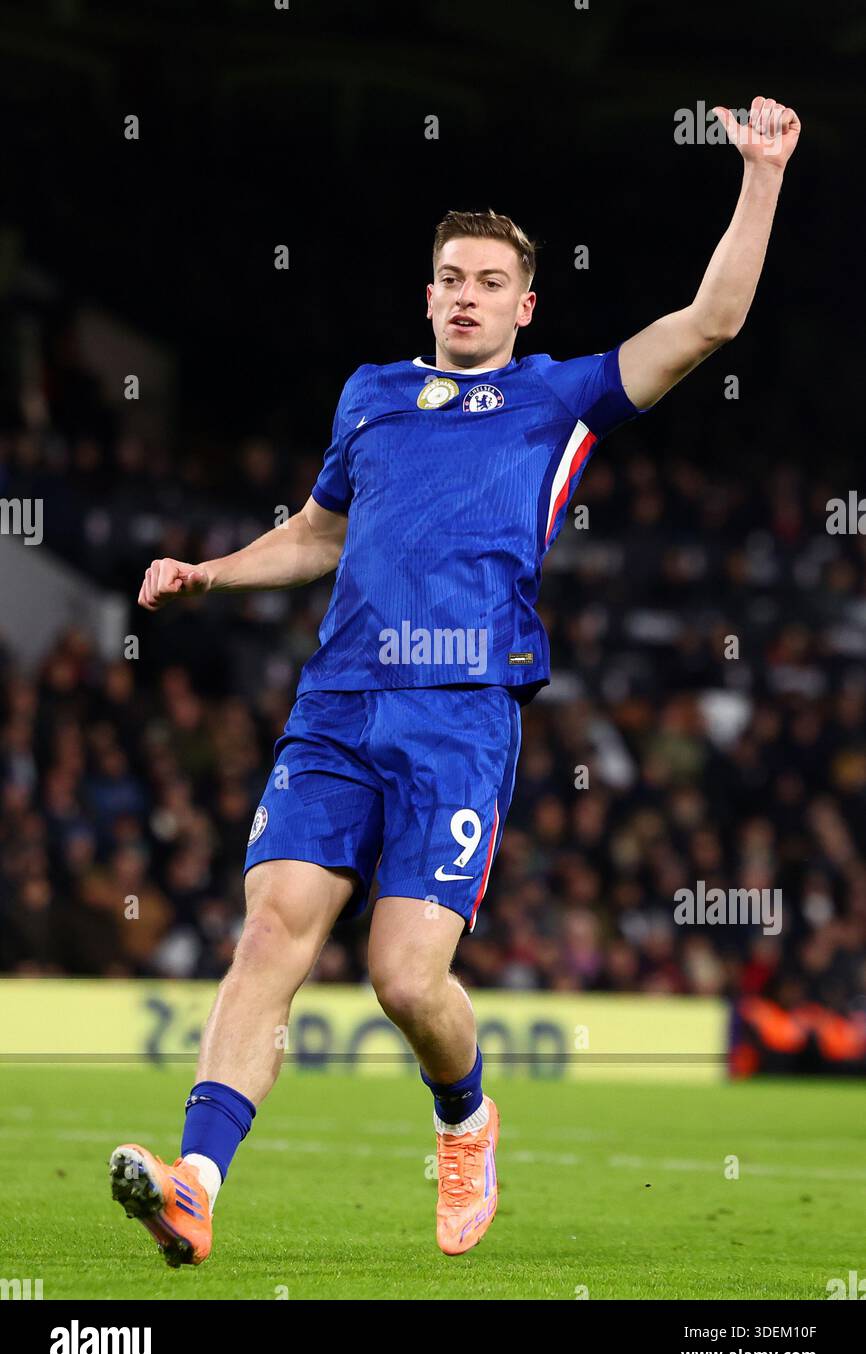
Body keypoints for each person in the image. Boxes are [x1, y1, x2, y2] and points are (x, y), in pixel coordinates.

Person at [110, 96, 800, 1265]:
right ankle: (195, 1183)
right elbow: (322, 533)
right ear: (427, 294)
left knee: (401, 976)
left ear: (524, 305)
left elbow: (711, 320)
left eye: (490, 280)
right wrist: (209, 573)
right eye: (450, 277)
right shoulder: (369, 394)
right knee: (269, 932)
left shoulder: (554, 399)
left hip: (461, 715)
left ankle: (463, 1116)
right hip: (334, 706)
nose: (467, 293)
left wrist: (761, 174)